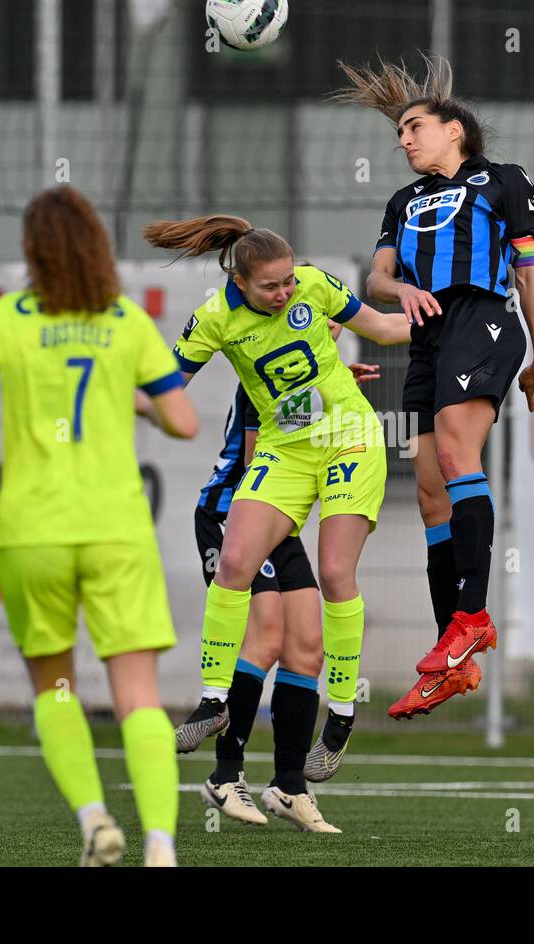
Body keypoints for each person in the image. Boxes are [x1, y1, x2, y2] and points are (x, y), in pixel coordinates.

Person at [0, 185, 198, 866]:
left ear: (32, 250)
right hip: (117, 528)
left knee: (54, 687)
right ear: (96, 247)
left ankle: (94, 822)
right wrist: (137, 403)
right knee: (138, 693)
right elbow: (184, 421)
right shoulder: (123, 320)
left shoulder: (5, 319)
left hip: (32, 530)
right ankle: (162, 845)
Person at [142, 214, 411, 831]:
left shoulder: (313, 286)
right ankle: (214, 707)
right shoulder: (215, 319)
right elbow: (168, 385)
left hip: (348, 438)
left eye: (290, 281)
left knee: (336, 576)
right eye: (272, 287)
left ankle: (339, 718)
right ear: (239, 281)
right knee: (235, 566)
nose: (286, 292)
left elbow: (381, 328)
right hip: (283, 453)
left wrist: (444, 318)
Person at [331, 52, 534, 718]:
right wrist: (399, 289)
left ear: (454, 129)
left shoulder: (503, 182)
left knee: (459, 458)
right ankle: (447, 656)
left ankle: (473, 620)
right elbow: (376, 279)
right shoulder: (402, 201)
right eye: (399, 132)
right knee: (431, 489)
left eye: (415, 127)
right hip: (428, 337)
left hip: (481, 319)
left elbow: (530, 272)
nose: (403, 140)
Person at [137, 351, 381, 827]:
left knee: (308, 648)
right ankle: (226, 775)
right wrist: (316, 403)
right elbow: (257, 460)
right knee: (266, 638)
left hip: (280, 529)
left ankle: (290, 786)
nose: (330, 328)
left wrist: (331, 394)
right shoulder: (267, 370)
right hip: (233, 512)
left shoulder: (313, 372)